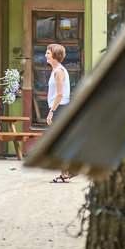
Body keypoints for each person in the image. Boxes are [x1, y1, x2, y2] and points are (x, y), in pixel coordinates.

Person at [45, 43, 73, 183]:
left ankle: (66, 174)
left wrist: (52, 112)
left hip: (60, 109)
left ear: (55, 56)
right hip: (60, 108)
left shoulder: (59, 72)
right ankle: (65, 173)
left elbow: (60, 94)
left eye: (48, 53)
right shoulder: (56, 70)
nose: (46, 55)